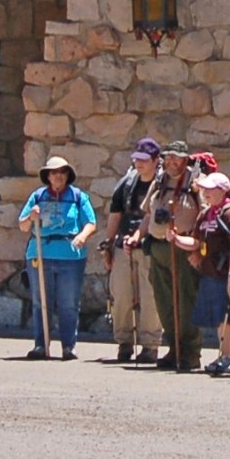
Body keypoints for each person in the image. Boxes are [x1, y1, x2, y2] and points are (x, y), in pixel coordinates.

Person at [18, 156, 98, 362]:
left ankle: (68, 347)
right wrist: (31, 217)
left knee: (68, 302)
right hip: (40, 253)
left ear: (67, 175)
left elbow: (91, 223)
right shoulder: (37, 196)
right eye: (54, 172)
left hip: (70, 256)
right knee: (40, 301)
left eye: (62, 172)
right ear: (48, 176)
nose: (58, 176)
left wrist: (81, 236)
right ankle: (40, 344)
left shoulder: (78, 197)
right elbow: (23, 226)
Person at [136, 140, 202, 372]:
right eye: (169, 157)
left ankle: (190, 352)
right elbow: (148, 214)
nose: (172, 162)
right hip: (158, 247)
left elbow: (204, 218)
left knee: (185, 301)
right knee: (164, 302)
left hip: (183, 250)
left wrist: (197, 249)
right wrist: (137, 236)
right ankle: (174, 349)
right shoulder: (159, 182)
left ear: (186, 160)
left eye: (177, 157)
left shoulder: (196, 184)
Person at [173, 172, 230, 378]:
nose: (205, 193)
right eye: (203, 189)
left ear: (222, 191)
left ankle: (228, 356)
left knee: (226, 315)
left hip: (225, 272)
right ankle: (223, 355)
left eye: (210, 189)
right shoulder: (206, 214)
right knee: (216, 315)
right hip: (210, 272)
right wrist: (176, 239)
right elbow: (196, 242)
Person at [105, 138, 162, 363]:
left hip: (150, 246)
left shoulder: (162, 184)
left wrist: (139, 236)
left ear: (155, 161)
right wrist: (108, 245)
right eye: (137, 159)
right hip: (123, 246)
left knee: (150, 296)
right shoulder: (126, 183)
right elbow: (115, 215)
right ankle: (124, 342)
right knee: (121, 294)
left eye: (144, 160)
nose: (139, 164)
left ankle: (150, 345)